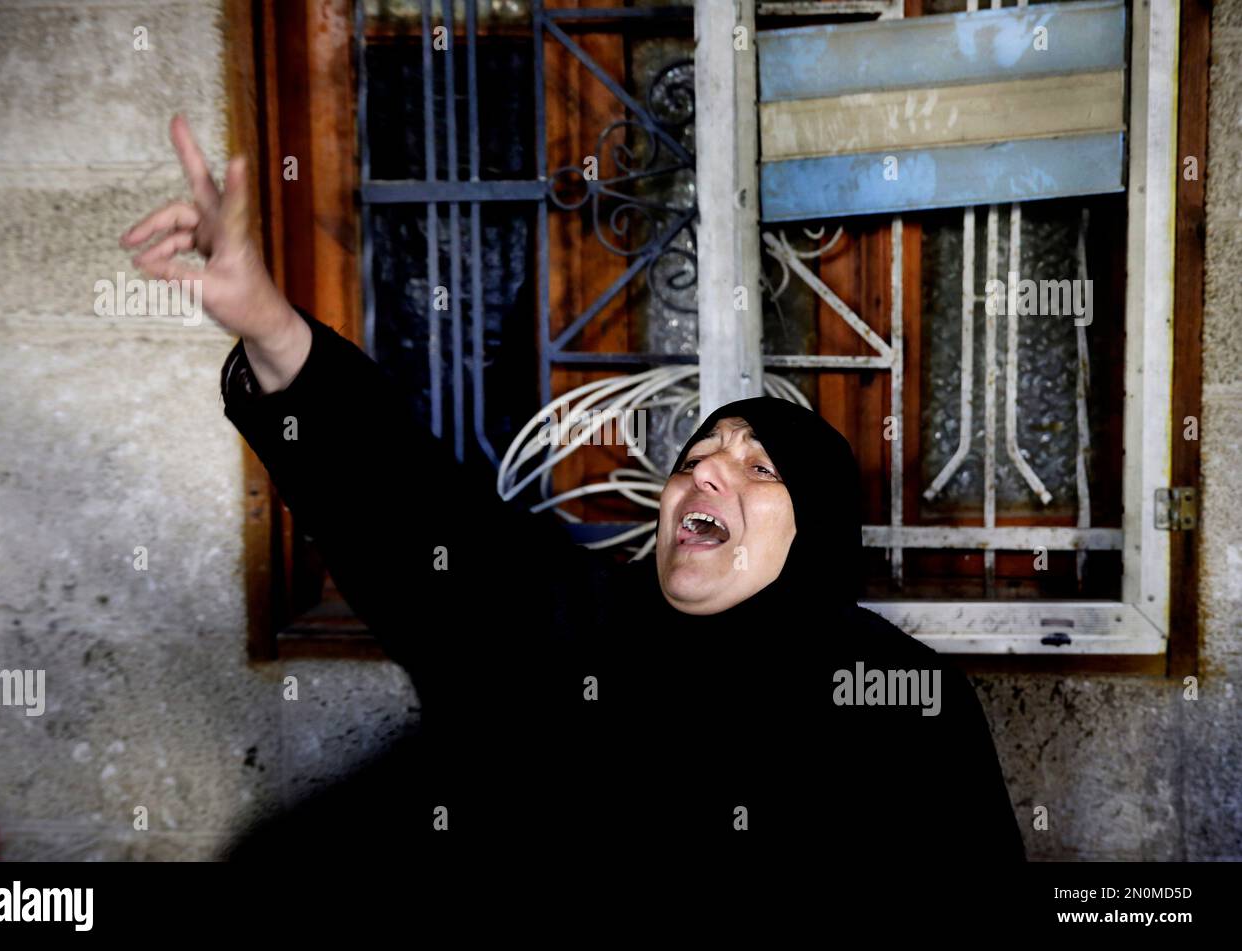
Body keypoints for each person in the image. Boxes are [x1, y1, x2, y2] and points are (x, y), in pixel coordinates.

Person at [122, 116, 1025, 860]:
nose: (706, 467)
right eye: (698, 455)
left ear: (817, 532)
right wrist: (272, 328)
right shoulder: (575, 632)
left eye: (760, 466)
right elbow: (413, 510)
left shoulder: (902, 702)